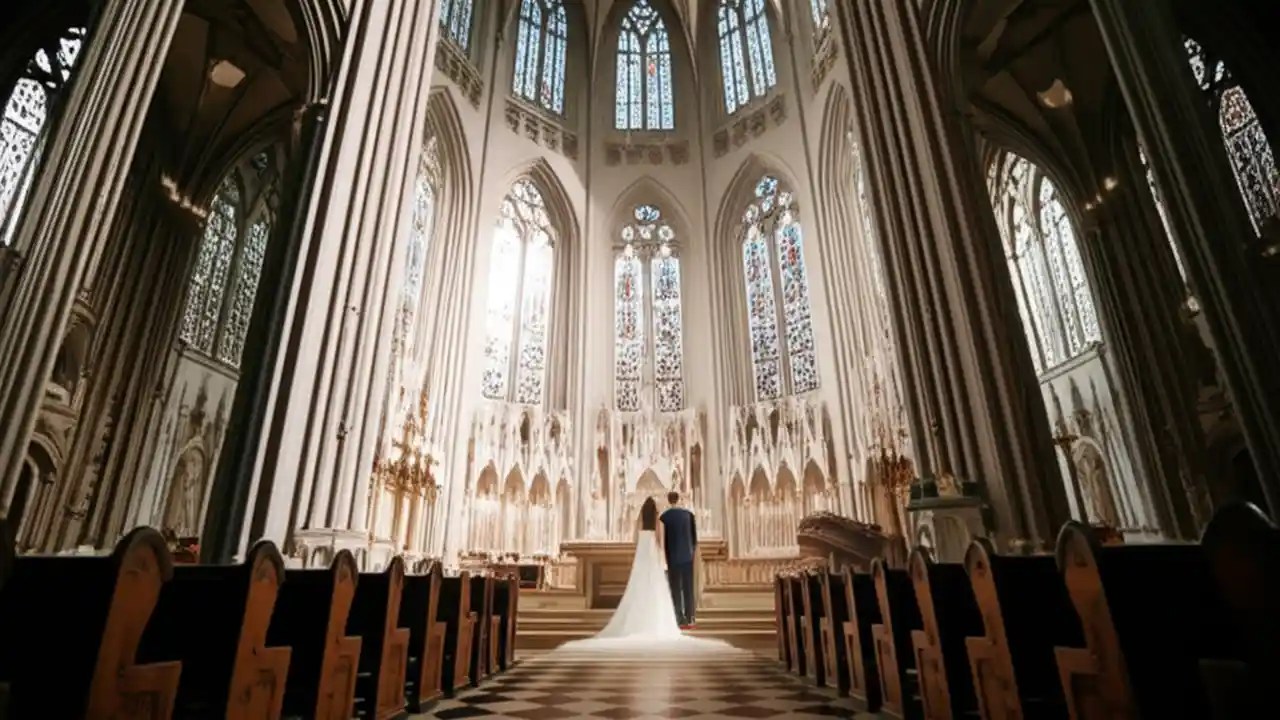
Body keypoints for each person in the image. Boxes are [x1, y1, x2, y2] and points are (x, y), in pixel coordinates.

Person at [590, 496, 682, 639]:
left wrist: (639, 545)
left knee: (640, 579)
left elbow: (634, 537)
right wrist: (662, 555)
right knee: (653, 580)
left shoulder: (640, 519)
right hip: (651, 546)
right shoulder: (658, 519)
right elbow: (660, 539)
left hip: (643, 545)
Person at [660, 490, 697, 628]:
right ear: (679, 499)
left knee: (676, 588)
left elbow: (665, 539)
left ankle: (679, 618)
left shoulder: (665, 517)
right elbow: (694, 538)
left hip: (673, 557)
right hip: (687, 556)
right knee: (688, 588)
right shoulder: (688, 515)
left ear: (669, 501)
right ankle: (690, 617)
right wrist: (691, 551)